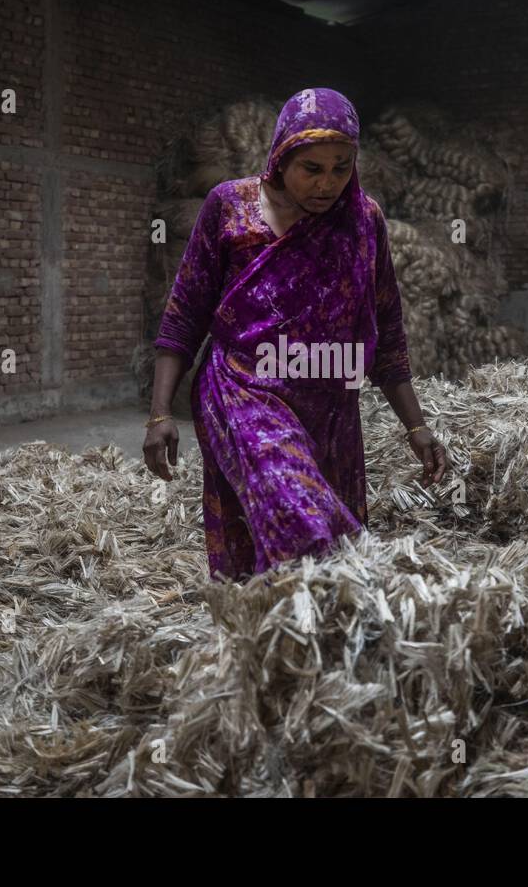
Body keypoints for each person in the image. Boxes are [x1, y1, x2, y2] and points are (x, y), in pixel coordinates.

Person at [144, 87, 446, 580]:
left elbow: (388, 333)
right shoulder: (230, 207)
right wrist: (159, 413)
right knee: (301, 518)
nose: (328, 183)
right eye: (312, 168)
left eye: (341, 166)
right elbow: (184, 314)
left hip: (330, 409)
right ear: (282, 157)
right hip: (243, 391)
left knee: (322, 538)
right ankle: (296, 624)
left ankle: (298, 638)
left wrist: (416, 426)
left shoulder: (363, 222)